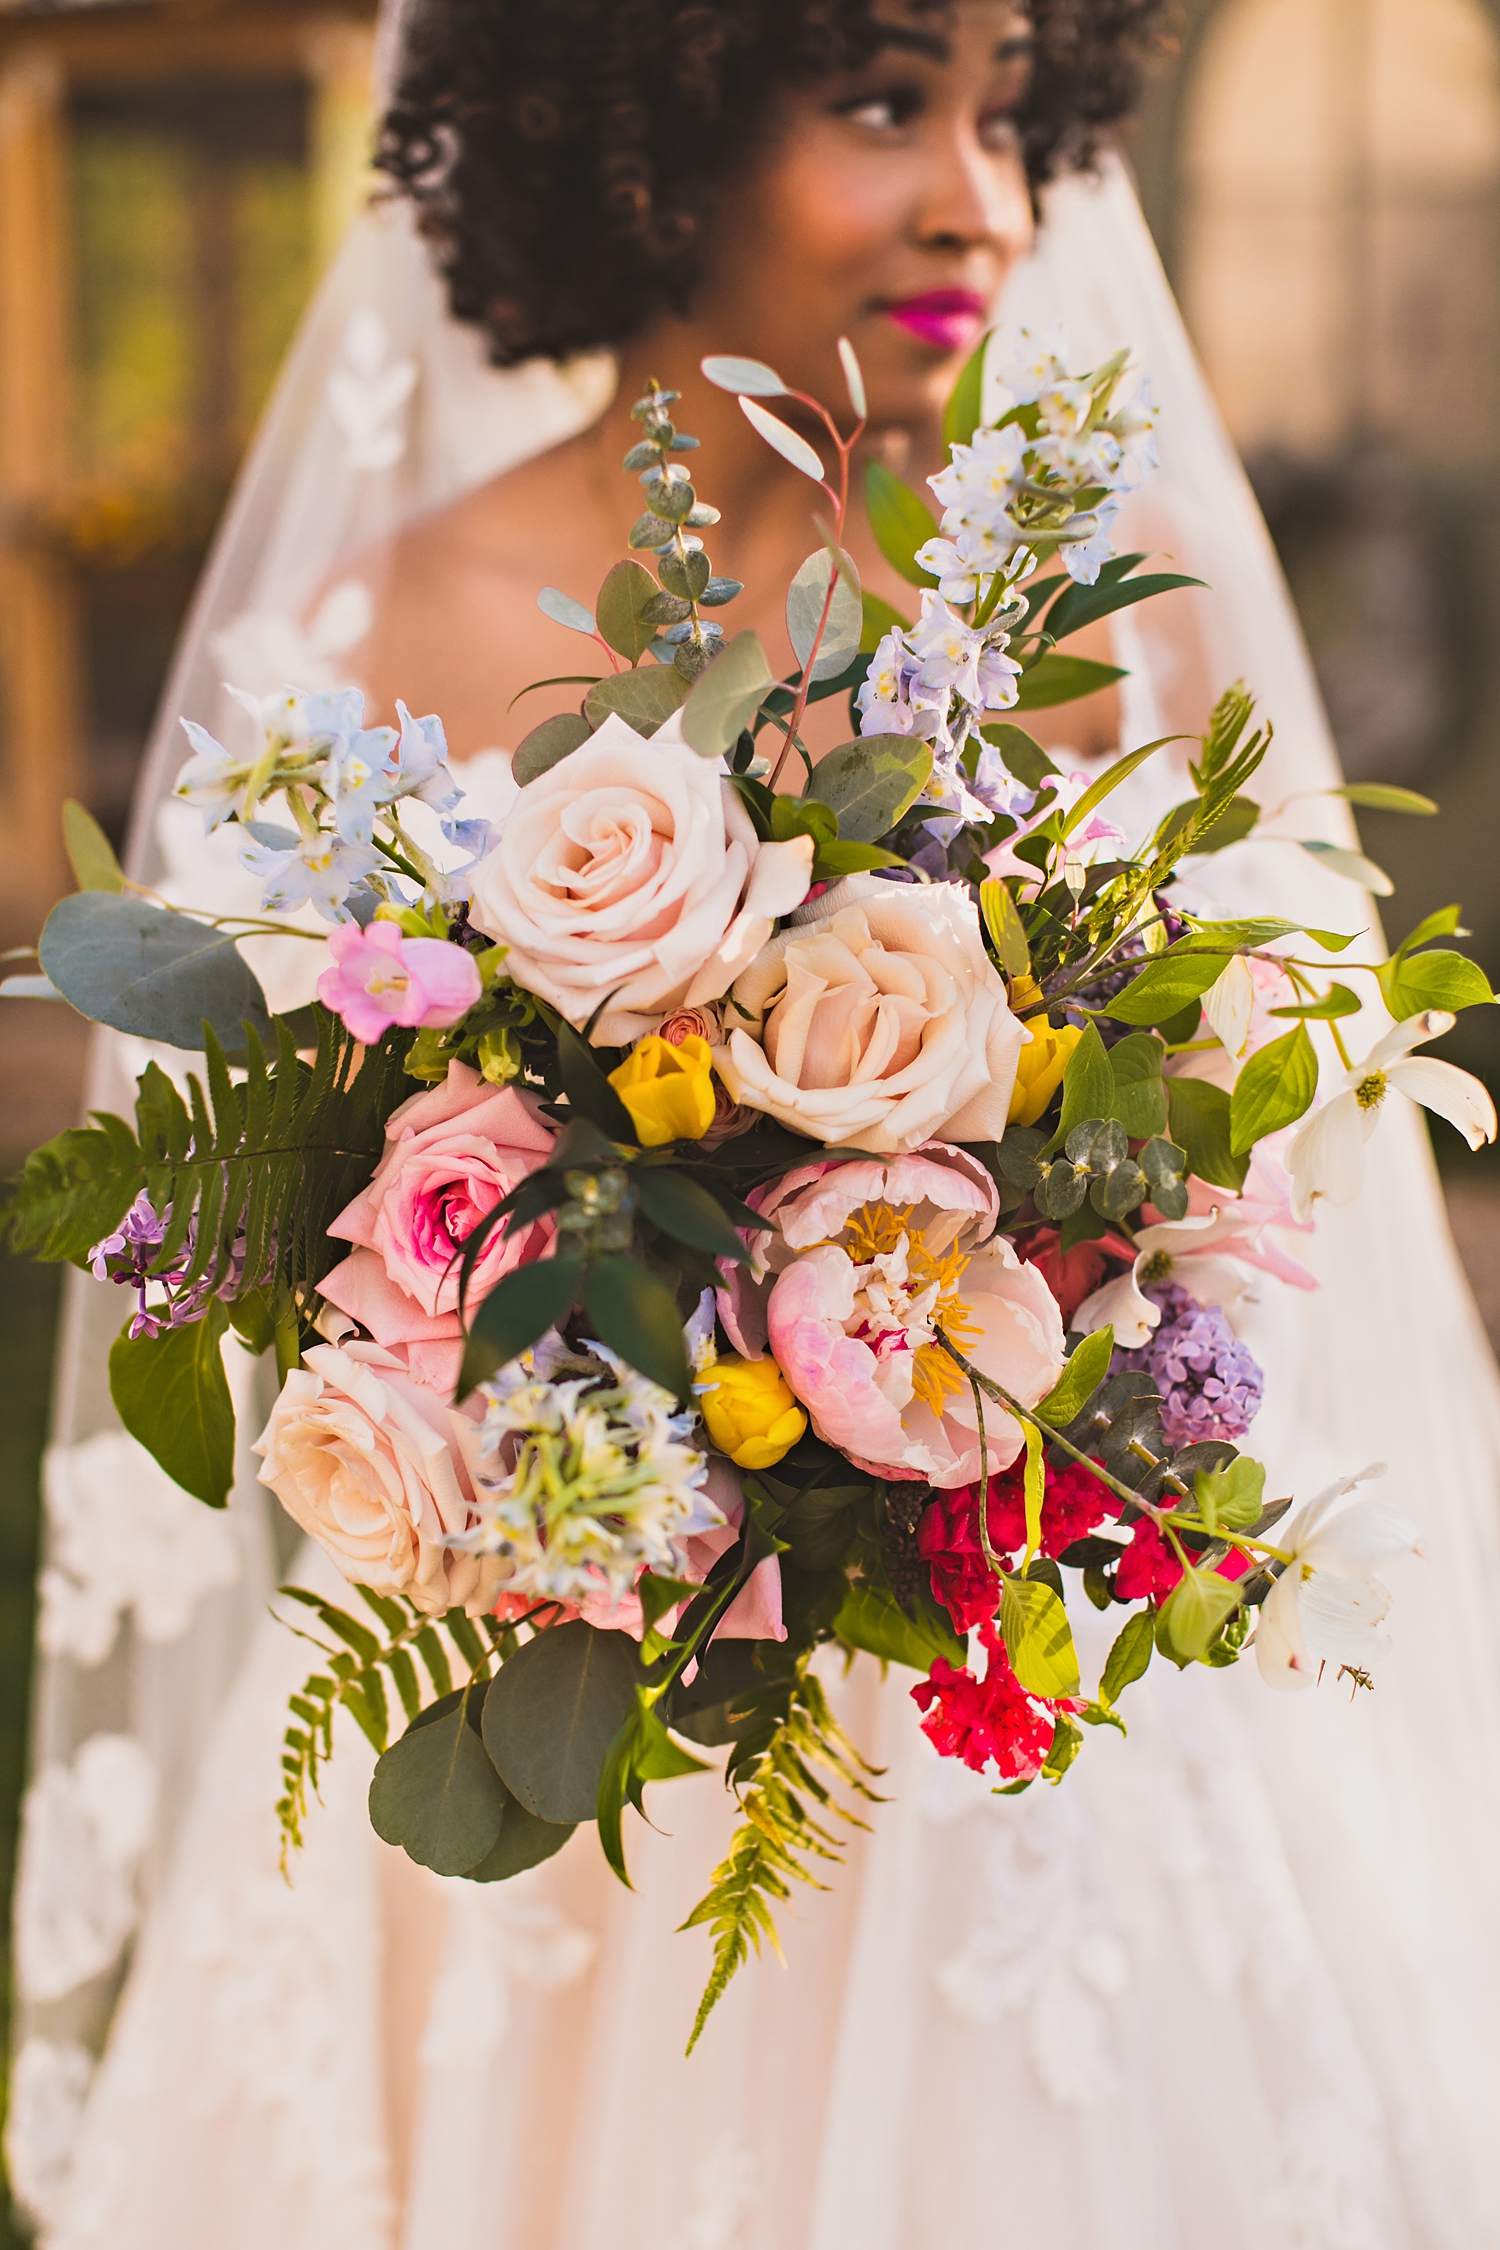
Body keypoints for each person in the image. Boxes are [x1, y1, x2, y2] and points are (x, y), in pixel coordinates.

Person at [11, 4, 1500, 2245]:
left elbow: (1284, 1178)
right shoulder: (379, 621)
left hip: (1039, 1753)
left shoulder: (1115, 616)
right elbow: (265, 1253)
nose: (984, 203)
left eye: (1014, 116)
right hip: (544, 1798)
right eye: (887, 103)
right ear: (645, 129)